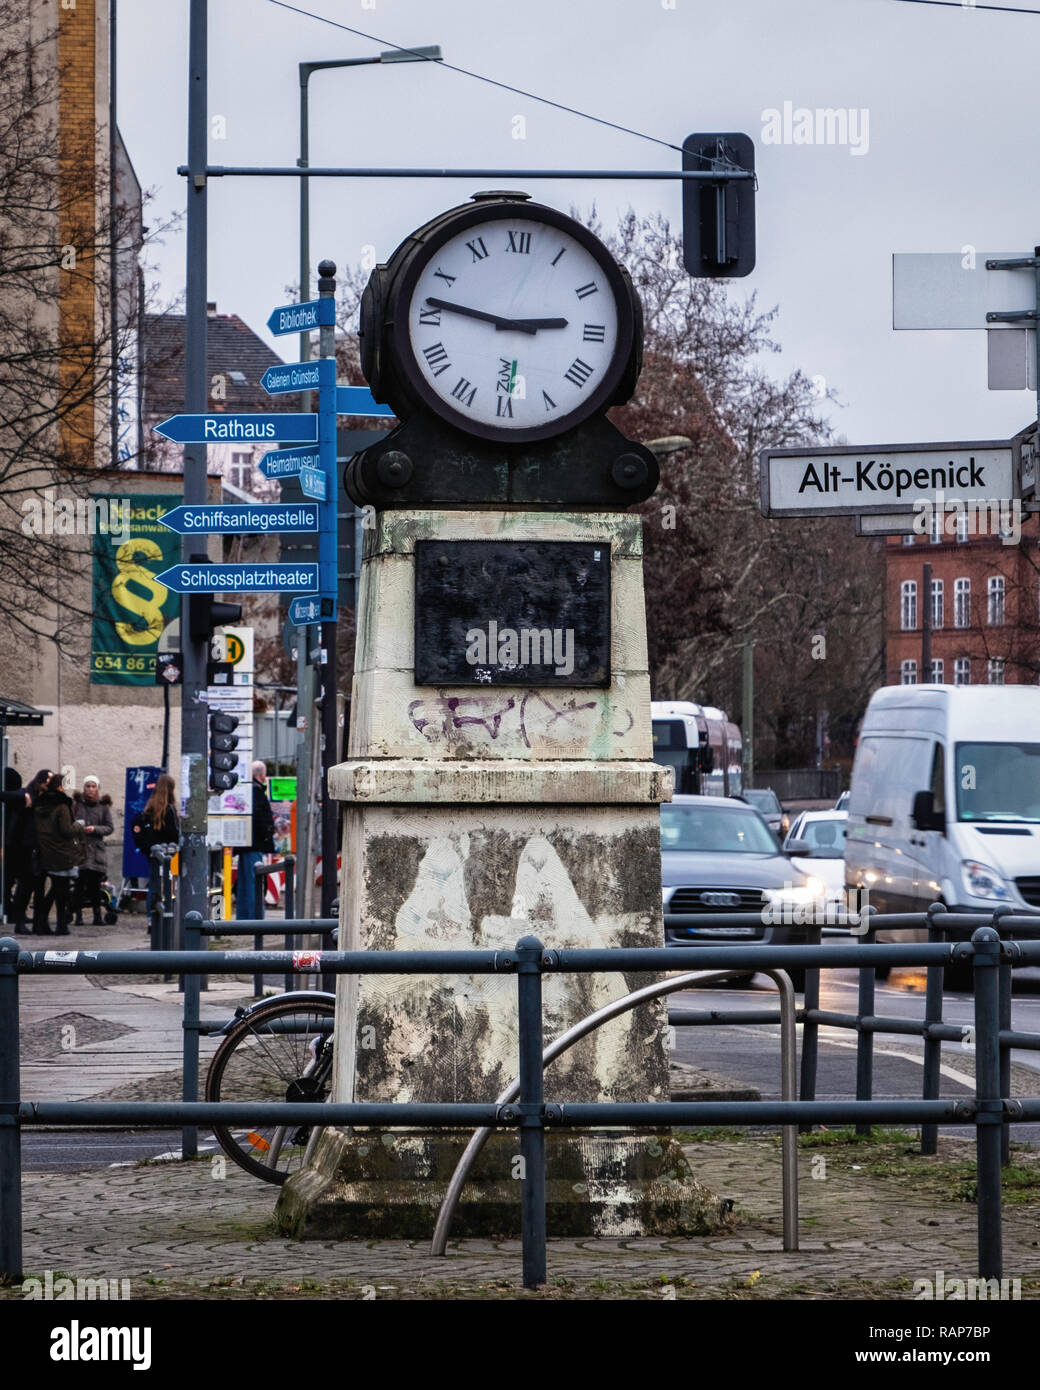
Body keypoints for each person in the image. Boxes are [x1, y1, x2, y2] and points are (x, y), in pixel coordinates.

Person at [34, 771, 85, 936]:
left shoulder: (41, 803)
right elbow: (67, 830)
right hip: (62, 852)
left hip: (47, 850)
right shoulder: (62, 805)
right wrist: (79, 825)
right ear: (61, 786)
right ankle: (58, 924)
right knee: (59, 890)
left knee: (57, 888)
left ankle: (46, 923)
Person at [131, 773, 179, 938]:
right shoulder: (170, 810)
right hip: (168, 854)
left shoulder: (148, 809)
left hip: (153, 855)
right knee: (168, 886)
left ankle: (152, 918)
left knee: (154, 885)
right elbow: (173, 833)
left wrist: (149, 849)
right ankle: (167, 916)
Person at [9, 769, 52, 934]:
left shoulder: (44, 799)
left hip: (40, 848)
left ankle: (38, 922)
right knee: (25, 886)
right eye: (48, 782)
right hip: (25, 848)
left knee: (39, 886)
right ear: (40, 782)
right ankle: (19, 920)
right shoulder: (26, 795)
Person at [72, 776, 114, 927]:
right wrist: (78, 828)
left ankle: (97, 916)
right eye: (88, 786)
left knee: (95, 886)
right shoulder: (76, 805)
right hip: (80, 850)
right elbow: (69, 823)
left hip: (96, 851)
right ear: (83, 788)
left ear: (97, 788)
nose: (90, 789)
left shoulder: (103, 807)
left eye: (93, 786)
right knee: (78, 885)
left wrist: (95, 829)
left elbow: (109, 827)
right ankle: (78, 916)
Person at [236, 761, 274, 920]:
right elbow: (259, 817)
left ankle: (243, 918)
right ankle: (255, 919)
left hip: (245, 843)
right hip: (255, 844)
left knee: (244, 884)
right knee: (254, 883)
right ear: (262, 775)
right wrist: (267, 831)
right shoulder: (257, 791)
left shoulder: (246, 790)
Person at [1, 769, 28, 922]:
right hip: (16, 847)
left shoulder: (18, 799)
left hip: (14, 847)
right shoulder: (20, 799)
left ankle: (11, 911)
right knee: (13, 881)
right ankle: (13, 912)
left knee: (10, 881)